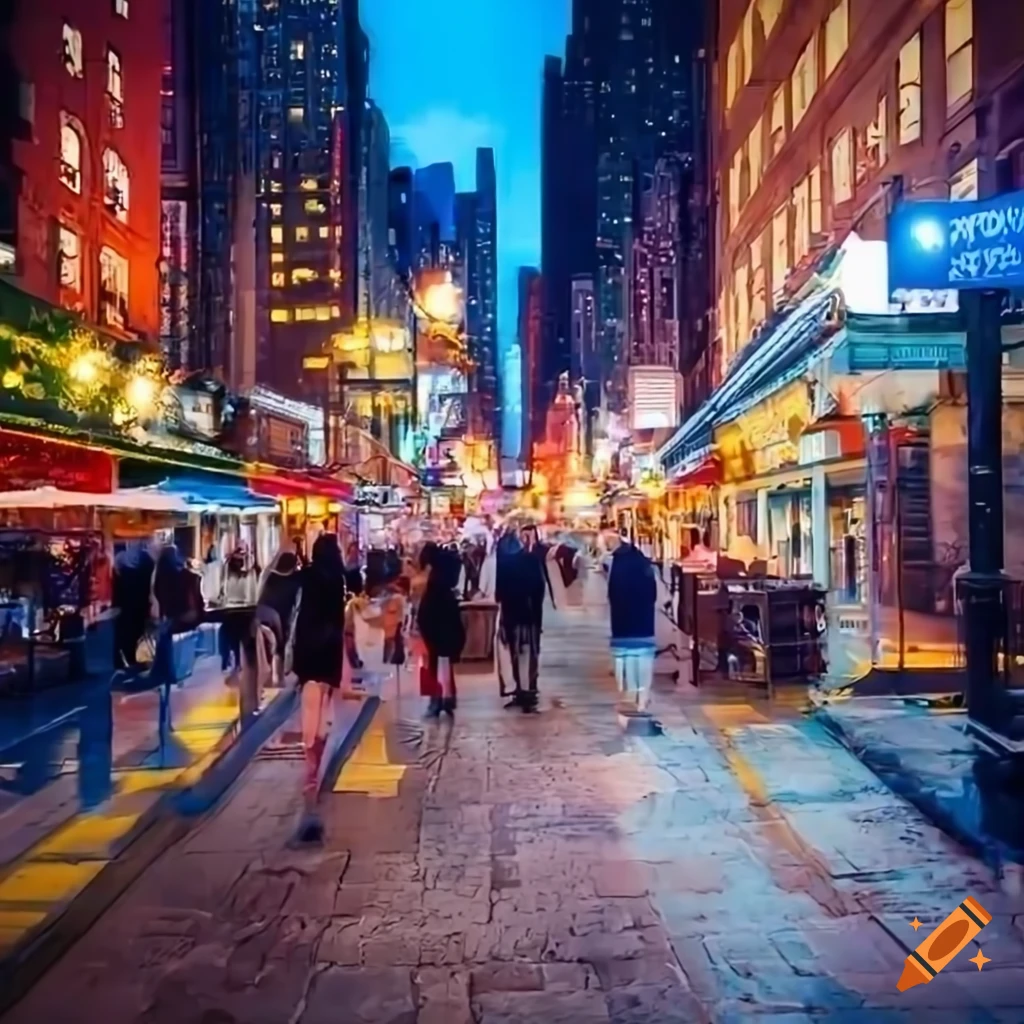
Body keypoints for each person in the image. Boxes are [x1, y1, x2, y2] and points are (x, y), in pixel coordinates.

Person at [290, 533, 347, 843]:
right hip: (330, 650)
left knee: (310, 705)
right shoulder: (337, 577)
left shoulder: (308, 577)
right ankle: (319, 747)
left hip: (310, 651)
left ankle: (311, 767)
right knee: (323, 701)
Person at [495, 527, 547, 713]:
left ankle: (519, 691)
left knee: (514, 655)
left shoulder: (503, 563)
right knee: (528, 655)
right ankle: (528, 692)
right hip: (529, 616)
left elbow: (498, 592)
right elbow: (539, 588)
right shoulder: (531, 561)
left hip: (511, 616)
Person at [605, 529, 658, 713]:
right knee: (642, 659)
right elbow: (653, 591)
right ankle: (642, 699)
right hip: (644, 622)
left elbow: (613, 593)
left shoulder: (616, 564)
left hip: (622, 624)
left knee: (626, 661)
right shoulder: (642, 562)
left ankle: (630, 695)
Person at [417, 545, 465, 718]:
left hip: (435, 626)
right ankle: (448, 698)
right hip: (448, 625)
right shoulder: (446, 578)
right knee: (445, 664)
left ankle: (436, 700)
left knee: (434, 664)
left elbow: (427, 609)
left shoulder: (433, 581)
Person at [253, 550, 302, 690]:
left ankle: (268, 679)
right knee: (279, 647)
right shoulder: (295, 581)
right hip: (279, 618)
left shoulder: (268, 576)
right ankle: (277, 679)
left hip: (261, 613)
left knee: (264, 646)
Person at [218, 544, 257, 676]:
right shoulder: (245, 577)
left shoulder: (229, 579)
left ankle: (229, 661)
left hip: (234, 612)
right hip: (243, 612)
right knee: (234, 637)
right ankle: (237, 663)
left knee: (228, 635)